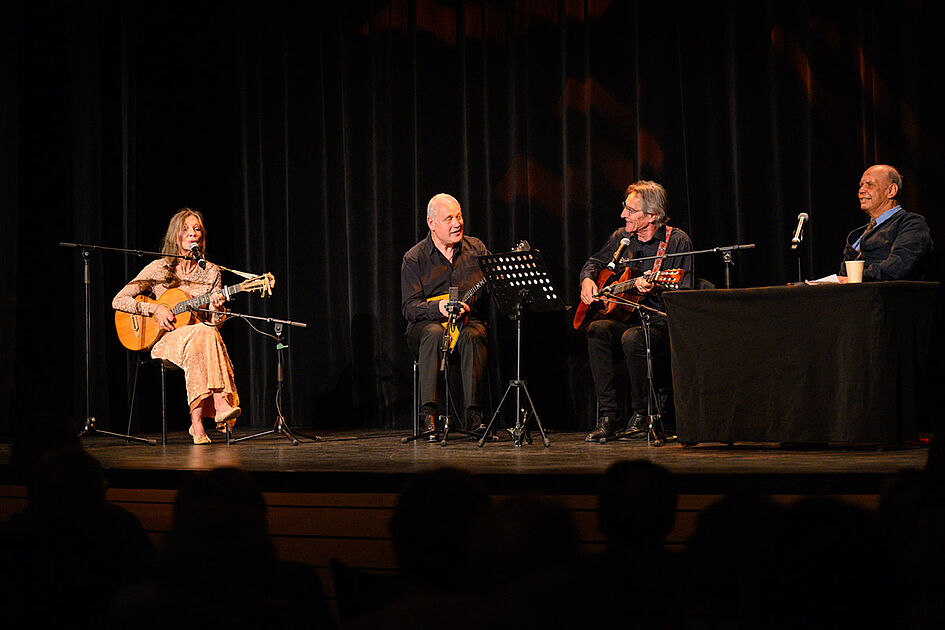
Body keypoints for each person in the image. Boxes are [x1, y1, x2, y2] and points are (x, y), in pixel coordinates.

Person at [112, 208, 240, 445]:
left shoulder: (211, 272)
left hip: (199, 339)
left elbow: (215, 324)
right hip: (163, 339)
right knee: (205, 334)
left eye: (197, 229)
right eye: (186, 229)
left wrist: (218, 308)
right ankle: (220, 402)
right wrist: (155, 309)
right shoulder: (159, 268)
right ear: (176, 236)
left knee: (205, 332)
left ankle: (198, 423)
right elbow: (118, 300)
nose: (193, 233)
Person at [580, 180, 693, 442]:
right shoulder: (622, 238)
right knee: (597, 329)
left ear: (652, 216)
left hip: (663, 323)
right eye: (625, 208)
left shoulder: (677, 241)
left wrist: (653, 289)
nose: (623, 215)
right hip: (628, 315)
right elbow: (594, 262)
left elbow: (683, 294)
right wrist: (587, 279)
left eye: (631, 211)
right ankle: (609, 416)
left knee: (632, 338)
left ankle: (642, 414)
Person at [401, 193, 490, 439]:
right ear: (432, 223)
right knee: (434, 332)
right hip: (425, 327)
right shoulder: (414, 258)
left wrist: (501, 279)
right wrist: (436, 308)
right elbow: (409, 307)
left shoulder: (477, 249)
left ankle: (474, 416)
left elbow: (493, 285)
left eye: (459, 216)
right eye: (449, 218)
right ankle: (428, 416)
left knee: (474, 335)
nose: (457, 223)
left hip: (464, 323)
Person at [839, 164, 933, 281]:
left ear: (891, 191)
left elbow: (898, 265)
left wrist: (857, 278)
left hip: (890, 296)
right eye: (861, 185)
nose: (861, 190)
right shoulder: (857, 234)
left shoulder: (911, 224)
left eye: (869, 185)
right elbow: (843, 277)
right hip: (856, 296)